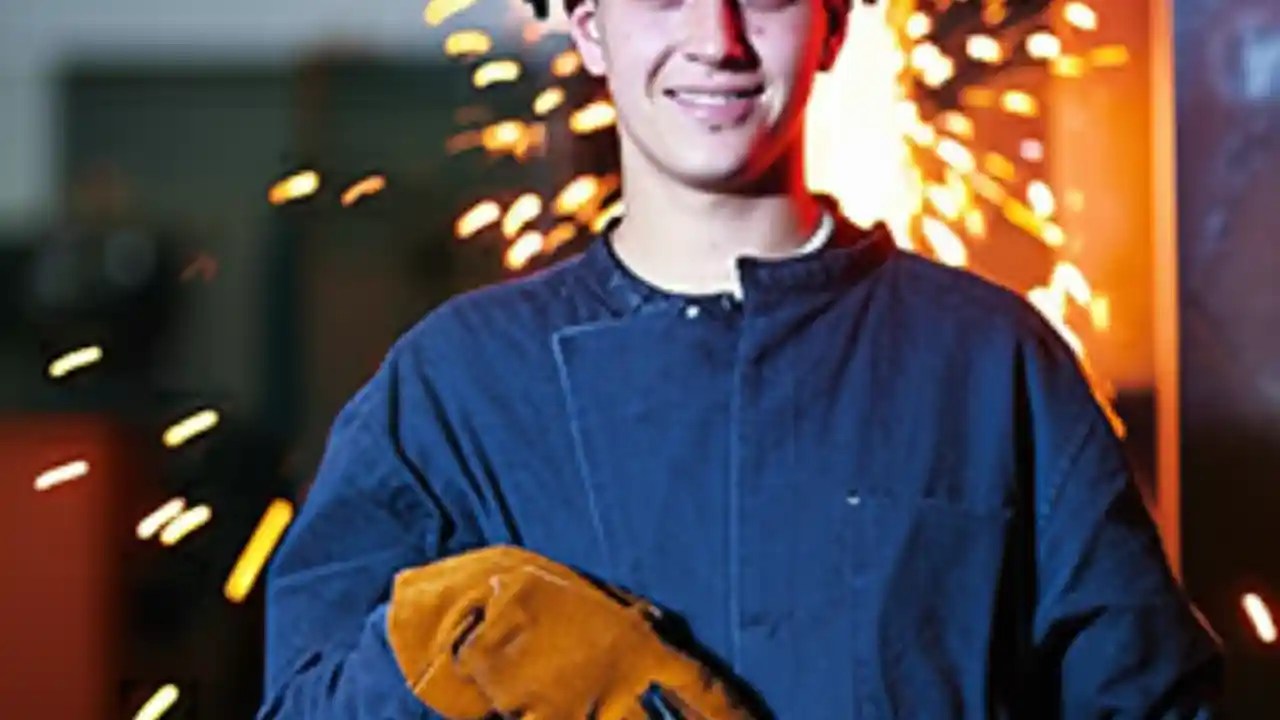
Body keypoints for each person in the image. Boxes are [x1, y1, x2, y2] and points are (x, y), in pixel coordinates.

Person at [259, 0, 1224, 717]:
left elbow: (1147, 700)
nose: (716, 39)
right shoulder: (457, 386)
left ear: (838, 25)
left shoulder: (991, 364)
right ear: (589, 25)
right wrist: (453, 659)